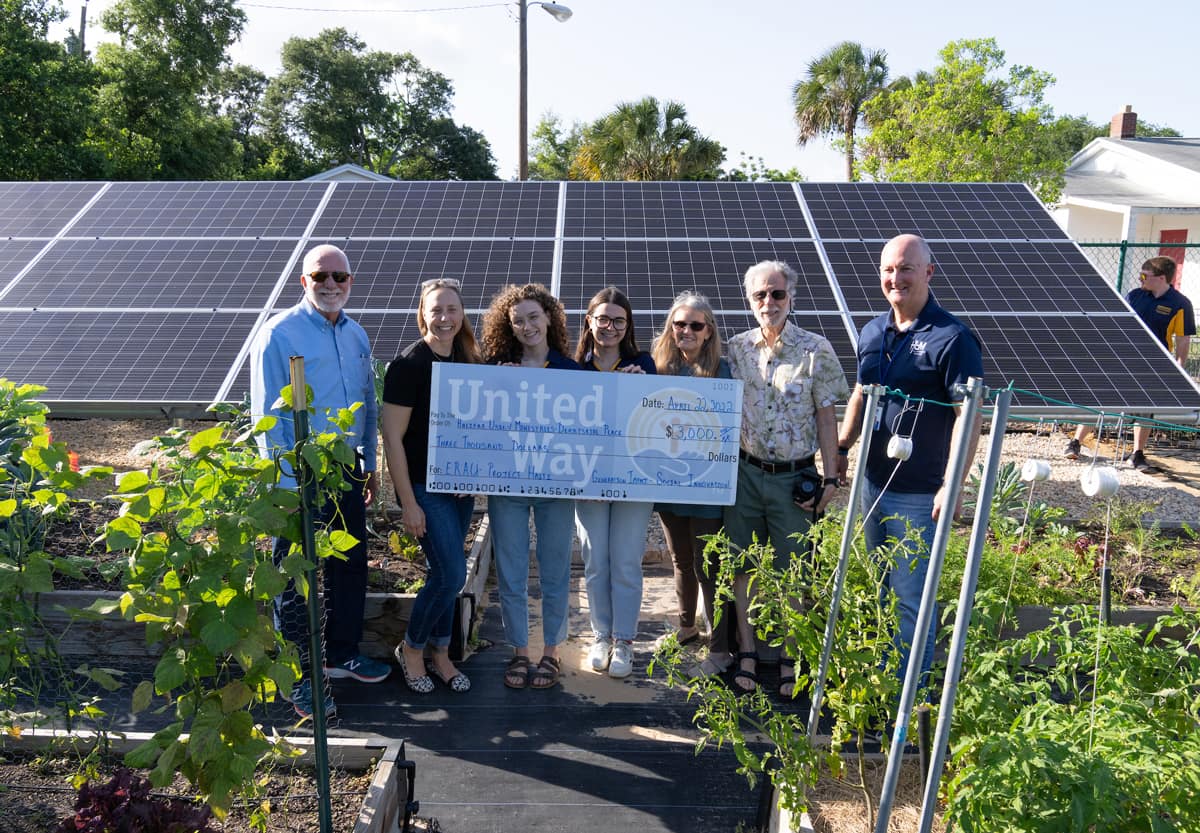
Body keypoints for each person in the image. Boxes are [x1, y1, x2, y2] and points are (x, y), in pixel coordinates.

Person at [836, 234, 983, 690]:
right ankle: (886, 679)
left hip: (919, 493)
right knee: (881, 587)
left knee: (911, 597)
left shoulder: (952, 338)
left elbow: (969, 416)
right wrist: (842, 449)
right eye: (888, 270)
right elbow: (862, 393)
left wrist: (952, 485)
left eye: (905, 268)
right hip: (873, 485)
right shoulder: (873, 331)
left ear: (928, 273)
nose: (894, 278)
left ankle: (909, 697)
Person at [250, 244, 390, 719]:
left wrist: (370, 462)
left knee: (349, 562)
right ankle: (298, 677)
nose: (332, 284)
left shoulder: (356, 335)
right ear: (303, 282)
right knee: (296, 577)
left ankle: (341, 654)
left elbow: (368, 406)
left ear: (351, 281)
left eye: (341, 277)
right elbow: (268, 419)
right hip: (301, 472)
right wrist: (287, 489)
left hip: (345, 467)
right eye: (321, 276)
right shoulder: (279, 335)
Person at [725, 260, 848, 695]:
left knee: (794, 571)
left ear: (790, 296)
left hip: (793, 478)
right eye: (760, 295)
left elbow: (827, 414)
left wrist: (832, 479)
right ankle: (748, 652)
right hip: (744, 473)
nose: (769, 302)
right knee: (741, 566)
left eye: (777, 294)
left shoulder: (816, 349)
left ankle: (792, 655)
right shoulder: (736, 349)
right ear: (749, 299)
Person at [381, 278, 482, 695]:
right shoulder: (408, 365)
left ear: (462, 315)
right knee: (451, 573)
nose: (444, 318)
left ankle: (441, 655)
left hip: (458, 488)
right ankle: (412, 648)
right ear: (422, 313)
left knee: (447, 574)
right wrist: (408, 502)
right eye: (436, 310)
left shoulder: (467, 360)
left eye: (452, 310)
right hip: (424, 486)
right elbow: (392, 439)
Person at [480, 283, 581, 690]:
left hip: (556, 483)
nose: (526, 326)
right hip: (509, 483)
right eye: (517, 320)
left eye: (533, 317)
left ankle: (551, 652)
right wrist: (498, 387)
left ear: (549, 318)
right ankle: (520, 651)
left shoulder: (571, 372)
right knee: (512, 569)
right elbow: (482, 429)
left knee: (556, 568)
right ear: (508, 327)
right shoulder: (497, 370)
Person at [649, 291, 736, 675]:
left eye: (695, 325)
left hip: (706, 484)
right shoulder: (657, 368)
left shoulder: (722, 372)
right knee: (681, 560)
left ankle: (720, 649)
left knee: (710, 565)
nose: (686, 330)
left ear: (708, 331)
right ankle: (686, 627)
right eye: (679, 324)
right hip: (669, 482)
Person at [574, 286, 657, 679]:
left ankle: (624, 639)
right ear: (589, 321)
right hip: (587, 480)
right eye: (602, 319)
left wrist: (641, 385)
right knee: (596, 561)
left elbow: (655, 418)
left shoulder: (644, 364)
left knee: (625, 562)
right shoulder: (572, 368)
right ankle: (600, 635)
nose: (609, 327)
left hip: (633, 481)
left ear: (628, 326)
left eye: (618, 320)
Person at [1064, 256, 1195, 470]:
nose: (1140, 278)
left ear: (1161, 278)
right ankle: (1075, 442)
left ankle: (1137, 454)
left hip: (1154, 365)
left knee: (1146, 408)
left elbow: (1183, 341)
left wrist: (1179, 370)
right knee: (1101, 399)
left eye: (1145, 275)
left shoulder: (1180, 304)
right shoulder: (1135, 296)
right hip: (1121, 358)